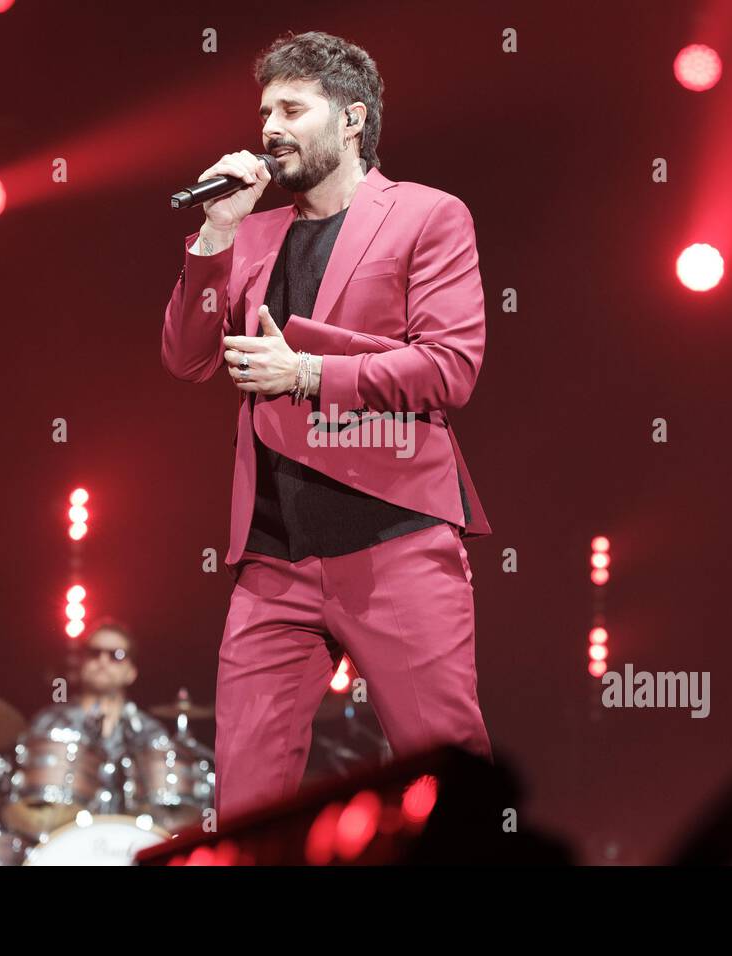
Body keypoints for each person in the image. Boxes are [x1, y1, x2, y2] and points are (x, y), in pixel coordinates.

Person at [161, 30, 493, 819]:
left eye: (291, 108)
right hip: (275, 557)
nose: (270, 126)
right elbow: (186, 358)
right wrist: (215, 234)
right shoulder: (253, 234)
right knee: (246, 798)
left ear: (350, 119)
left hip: (395, 540)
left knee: (443, 778)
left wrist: (307, 372)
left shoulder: (426, 216)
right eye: (265, 109)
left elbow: (450, 368)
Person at [26, 619, 167, 814]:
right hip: (63, 834)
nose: (103, 661)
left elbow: (164, 811)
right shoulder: (49, 723)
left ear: (131, 672)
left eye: (116, 655)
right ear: (82, 663)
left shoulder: (150, 733)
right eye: (94, 653)